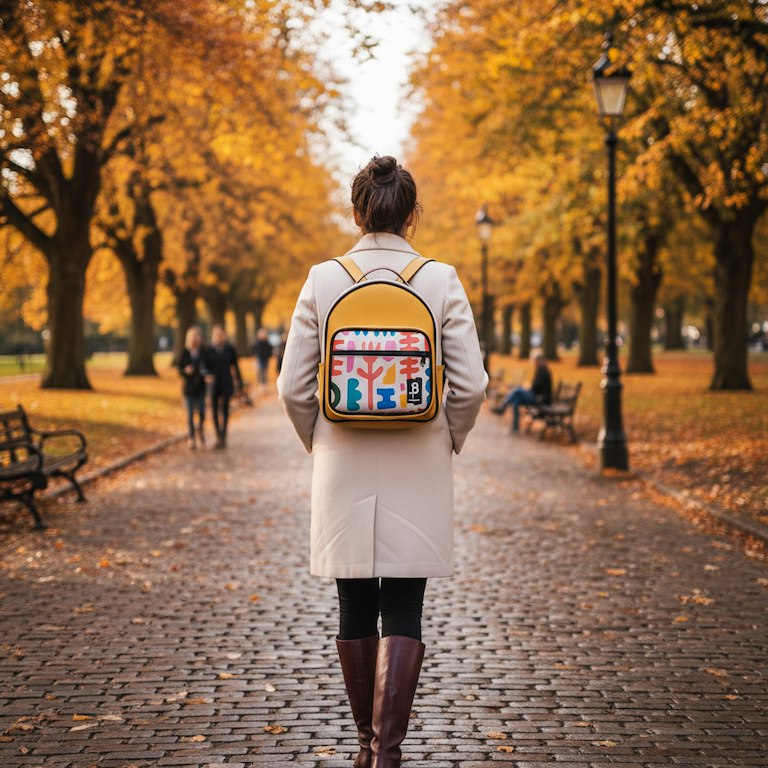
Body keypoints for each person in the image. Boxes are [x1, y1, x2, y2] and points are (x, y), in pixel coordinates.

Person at [277, 155, 487, 768]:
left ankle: (366, 746)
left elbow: (293, 387)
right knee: (404, 605)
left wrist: (321, 439)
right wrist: (447, 437)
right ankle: (389, 750)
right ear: (412, 214)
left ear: (355, 211)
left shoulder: (322, 279)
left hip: (343, 459)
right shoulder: (441, 279)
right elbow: (470, 386)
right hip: (417, 460)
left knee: (352, 604)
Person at [492, 352, 553, 431]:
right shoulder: (542, 370)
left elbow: (535, 387)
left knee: (518, 390)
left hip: (540, 399)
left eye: (535, 361)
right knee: (516, 400)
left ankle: (503, 407)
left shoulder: (543, 372)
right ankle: (515, 427)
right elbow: (536, 387)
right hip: (537, 396)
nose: (534, 363)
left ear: (539, 361)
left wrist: (527, 387)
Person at [205, 325, 243, 449]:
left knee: (225, 410)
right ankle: (218, 435)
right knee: (215, 410)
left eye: (221, 335)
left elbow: (235, 366)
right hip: (214, 384)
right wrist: (207, 375)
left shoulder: (229, 349)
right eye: (217, 335)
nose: (219, 337)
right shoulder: (209, 349)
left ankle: (224, 434)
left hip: (226, 382)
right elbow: (204, 366)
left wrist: (239, 383)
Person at [176, 326, 208, 449]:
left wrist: (207, 374)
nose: (195, 339)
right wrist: (185, 371)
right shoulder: (184, 352)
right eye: (193, 336)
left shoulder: (204, 352)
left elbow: (208, 366)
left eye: (197, 336)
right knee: (189, 414)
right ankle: (191, 437)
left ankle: (200, 429)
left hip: (201, 388)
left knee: (201, 412)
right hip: (188, 388)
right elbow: (179, 369)